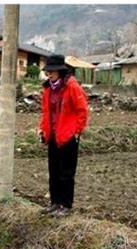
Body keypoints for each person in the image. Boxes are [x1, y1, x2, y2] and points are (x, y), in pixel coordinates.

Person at [39, 54, 89, 217]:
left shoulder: (72, 86)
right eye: (48, 71)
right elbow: (46, 112)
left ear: (60, 71)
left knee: (66, 173)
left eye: (52, 71)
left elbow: (82, 110)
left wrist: (77, 131)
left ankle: (66, 205)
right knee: (53, 171)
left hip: (68, 136)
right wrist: (42, 129)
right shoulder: (48, 88)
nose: (49, 73)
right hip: (53, 135)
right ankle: (55, 203)